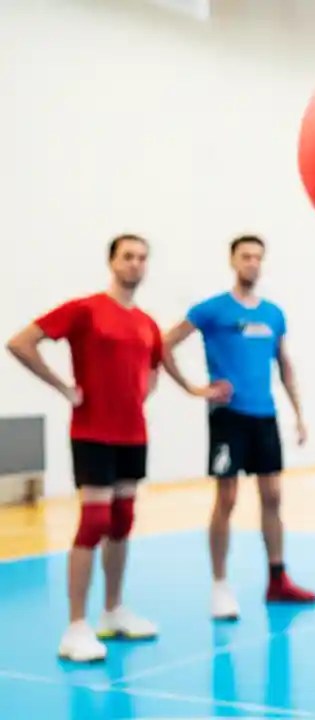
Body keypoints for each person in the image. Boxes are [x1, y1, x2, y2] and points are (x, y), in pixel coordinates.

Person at [5, 235, 218, 662]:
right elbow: (20, 342)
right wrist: (64, 387)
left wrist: (170, 392)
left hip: (133, 434)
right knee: (94, 521)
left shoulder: (146, 323)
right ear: (112, 262)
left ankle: (113, 611)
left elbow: (157, 367)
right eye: (128, 257)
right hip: (92, 433)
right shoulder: (85, 310)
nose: (135, 264)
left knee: (122, 520)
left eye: (142, 258)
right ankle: (75, 627)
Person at [162, 234, 315, 620]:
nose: (252, 263)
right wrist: (193, 388)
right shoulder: (211, 310)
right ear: (232, 261)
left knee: (273, 496)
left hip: (264, 415)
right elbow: (162, 344)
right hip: (228, 417)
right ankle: (220, 586)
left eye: (258, 257)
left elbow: (284, 364)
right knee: (227, 499)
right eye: (245, 256)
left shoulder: (274, 314)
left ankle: (278, 579)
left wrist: (298, 413)